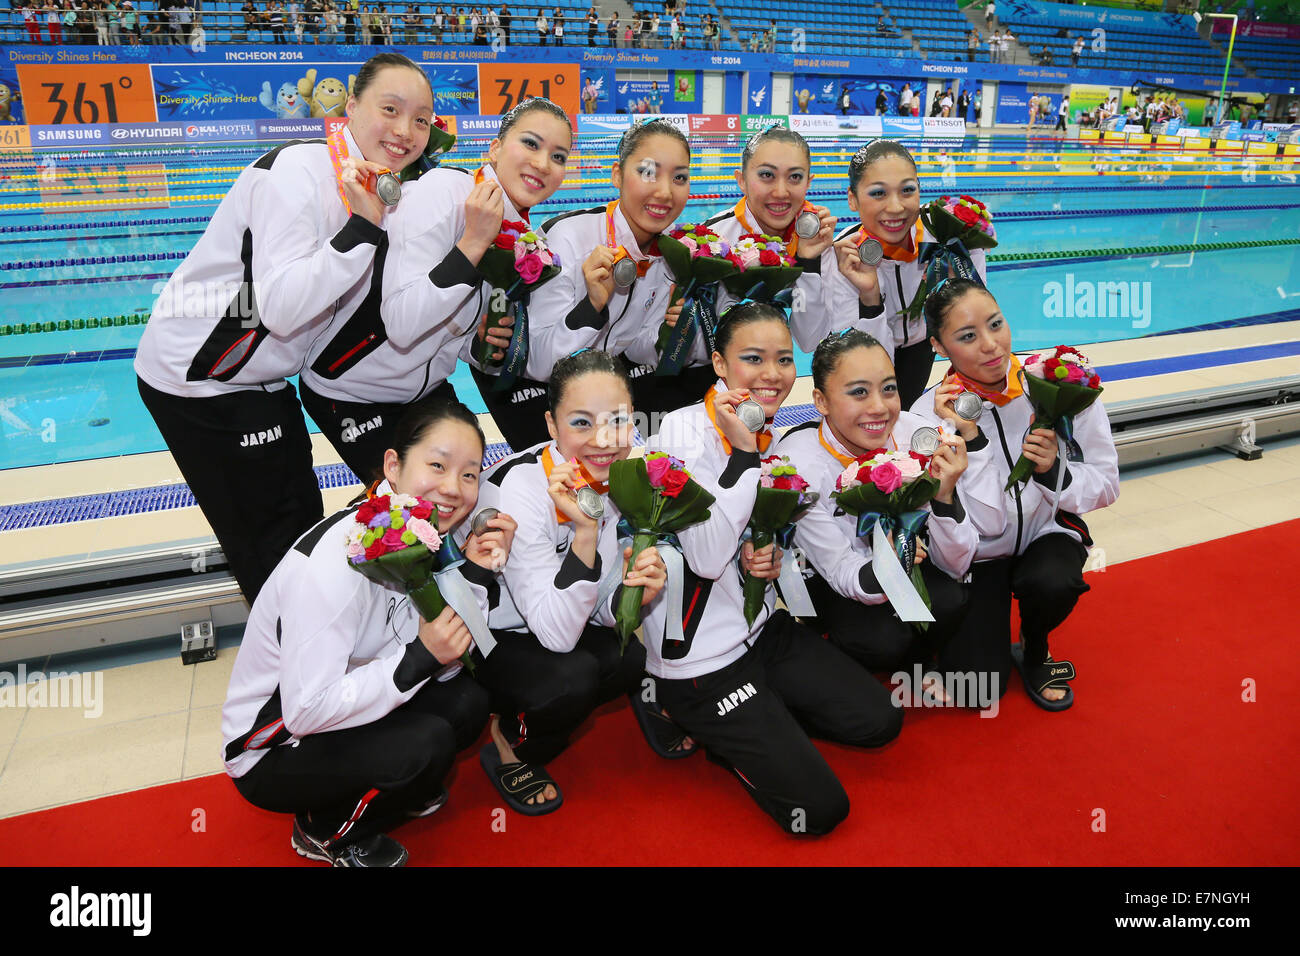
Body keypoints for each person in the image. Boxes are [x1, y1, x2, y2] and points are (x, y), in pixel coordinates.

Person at [134, 54, 435, 605]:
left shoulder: (381, 187)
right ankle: (283, 675)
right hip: (202, 378)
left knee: (298, 522)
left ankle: (306, 653)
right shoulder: (298, 173)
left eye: (421, 119)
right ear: (351, 109)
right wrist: (364, 227)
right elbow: (280, 307)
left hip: (266, 374)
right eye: (390, 109)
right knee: (270, 546)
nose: (405, 130)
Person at [646, 303, 903, 835]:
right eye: (753, 358)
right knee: (819, 813)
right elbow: (704, 557)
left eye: (784, 359)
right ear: (719, 363)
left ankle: (763, 717)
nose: (772, 373)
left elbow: (747, 538)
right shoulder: (682, 431)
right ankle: (677, 711)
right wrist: (741, 456)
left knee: (879, 721)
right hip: (702, 658)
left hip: (761, 628)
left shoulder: (770, 434)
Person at [222, 397, 512, 865]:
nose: (453, 488)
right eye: (437, 465)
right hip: (273, 747)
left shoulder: (422, 537)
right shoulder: (335, 565)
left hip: (351, 700)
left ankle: (388, 788)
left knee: (468, 705)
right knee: (425, 747)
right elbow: (304, 712)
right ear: (393, 467)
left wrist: (477, 572)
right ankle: (322, 829)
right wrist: (418, 657)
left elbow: (453, 663)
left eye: (469, 474)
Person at [303, 99, 572, 480]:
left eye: (558, 156)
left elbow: (449, 332)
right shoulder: (444, 193)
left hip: (427, 387)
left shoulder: (517, 236)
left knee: (468, 496)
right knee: (408, 516)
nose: (543, 163)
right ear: (494, 148)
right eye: (531, 143)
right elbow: (401, 323)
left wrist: (478, 342)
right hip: (352, 390)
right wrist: (473, 245)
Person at [474, 351, 680, 814]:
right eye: (582, 423)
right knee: (571, 679)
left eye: (619, 420)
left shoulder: (629, 467)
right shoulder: (519, 492)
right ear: (551, 425)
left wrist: (631, 593)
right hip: (495, 634)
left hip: (561, 611)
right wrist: (586, 530)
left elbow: (597, 605)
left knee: (627, 657)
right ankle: (507, 740)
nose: (604, 439)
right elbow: (556, 636)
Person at [911, 279, 1118, 710]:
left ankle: (1036, 642)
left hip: (1046, 532)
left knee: (1055, 582)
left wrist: (1054, 472)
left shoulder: (1060, 387)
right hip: (977, 553)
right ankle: (958, 633)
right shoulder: (925, 418)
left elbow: (1107, 483)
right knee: (979, 689)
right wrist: (970, 437)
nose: (991, 346)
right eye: (967, 337)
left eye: (996, 324)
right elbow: (967, 521)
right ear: (938, 346)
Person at [772, 329, 977, 677]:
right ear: (821, 401)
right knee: (880, 640)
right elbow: (840, 571)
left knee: (952, 602)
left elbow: (959, 564)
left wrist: (944, 497)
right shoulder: (797, 466)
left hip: (905, 555)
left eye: (889, 388)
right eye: (859, 392)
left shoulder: (922, 437)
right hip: (832, 575)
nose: (879, 407)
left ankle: (916, 661)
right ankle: (836, 653)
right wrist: (889, 563)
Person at [529, 119, 697, 441]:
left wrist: (671, 333)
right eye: (648, 172)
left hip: (601, 383)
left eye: (679, 177)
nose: (665, 192)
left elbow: (636, 347)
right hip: (531, 387)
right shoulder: (568, 238)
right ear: (617, 174)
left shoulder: (673, 256)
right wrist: (592, 305)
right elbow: (538, 362)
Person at [825, 141, 989, 410]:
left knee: (907, 415)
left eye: (907, 190)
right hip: (866, 356)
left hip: (920, 350)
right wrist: (870, 298)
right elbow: (856, 356)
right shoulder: (844, 258)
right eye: (878, 193)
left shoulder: (947, 234)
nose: (896, 207)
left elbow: (977, 314)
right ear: (852, 199)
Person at [704, 125, 842, 354]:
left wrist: (808, 262)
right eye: (767, 175)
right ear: (741, 180)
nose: (780, 192)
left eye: (795, 177)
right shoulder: (715, 236)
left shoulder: (818, 238)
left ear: (809, 182)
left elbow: (809, 340)